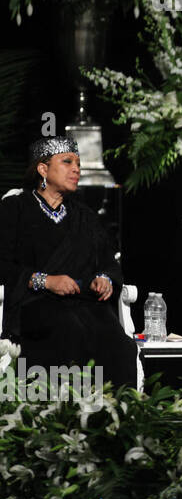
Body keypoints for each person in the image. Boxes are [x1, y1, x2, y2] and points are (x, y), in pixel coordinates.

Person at [0, 137, 138, 389]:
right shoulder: (15, 209)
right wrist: (46, 281)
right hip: (34, 305)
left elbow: (108, 262)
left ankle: (115, 419)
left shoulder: (84, 216)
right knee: (70, 330)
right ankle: (64, 418)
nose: (77, 169)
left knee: (119, 342)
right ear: (43, 169)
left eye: (78, 163)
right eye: (67, 162)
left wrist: (105, 279)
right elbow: (4, 265)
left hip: (84, 304)